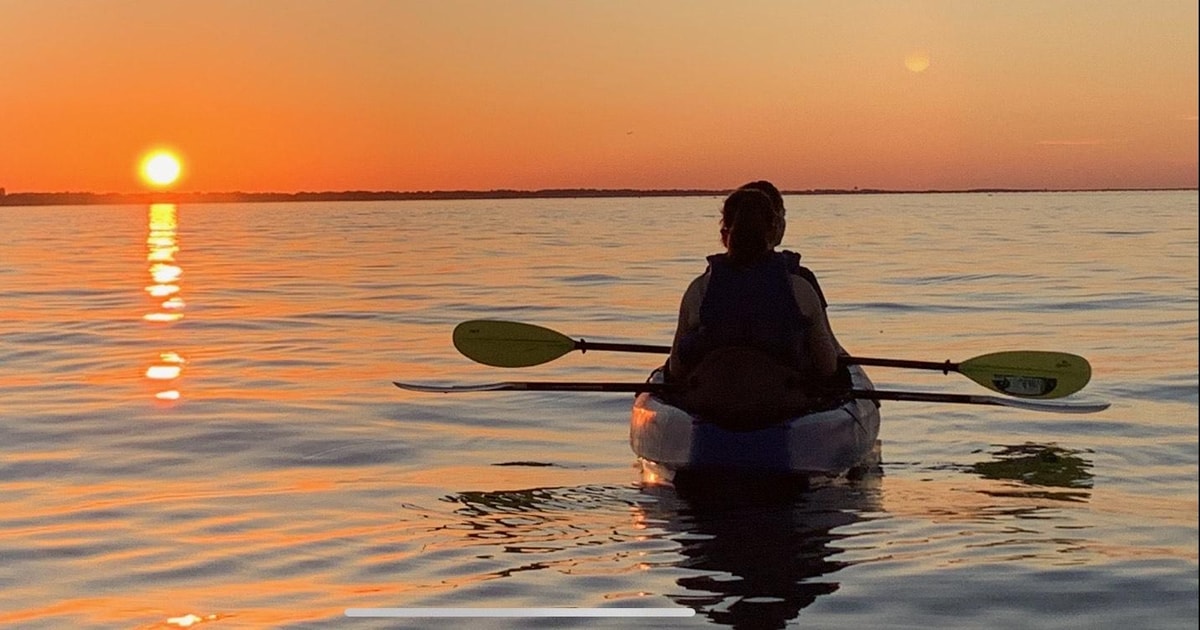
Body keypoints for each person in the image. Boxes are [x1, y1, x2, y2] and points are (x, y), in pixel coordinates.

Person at [665, 188, 841, 430]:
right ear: (772, 231)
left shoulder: (698, 290)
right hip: (780, 405)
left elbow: (676, 369)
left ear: (725, 233)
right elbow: (828, 368)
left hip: (712, 404)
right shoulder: (800, 289)